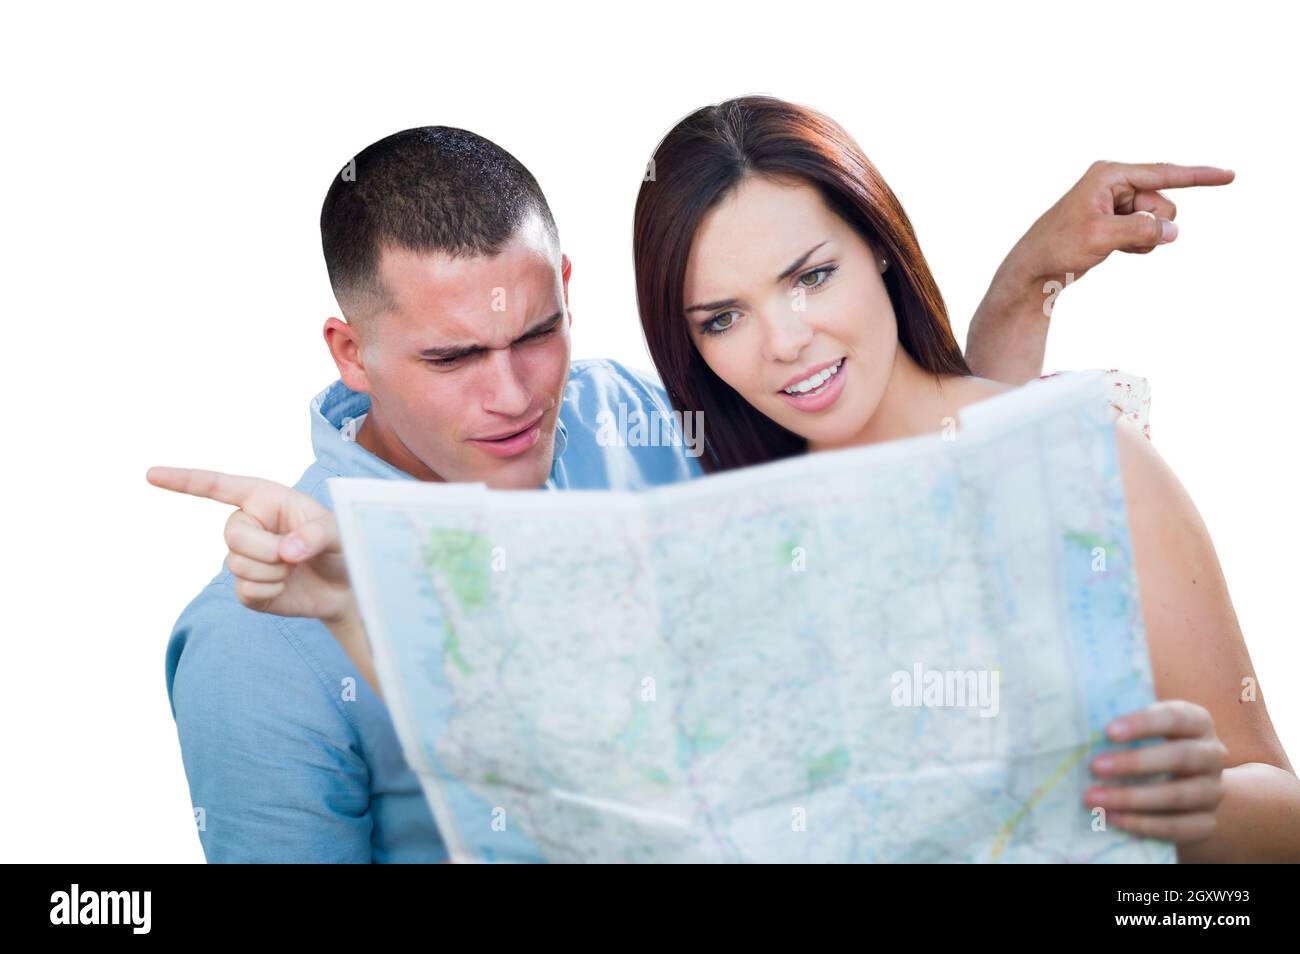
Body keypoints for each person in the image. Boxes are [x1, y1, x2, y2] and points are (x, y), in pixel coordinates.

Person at [150, 121, 1234, 862]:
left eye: (537, 334)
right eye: (451, 359)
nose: (515, 393)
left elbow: (903, 475)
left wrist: (1020, 286)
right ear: (351, 352)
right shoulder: (254, 645)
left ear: (570, 292)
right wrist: (353, 608)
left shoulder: (643, 417)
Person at [627, 95, 1297, 862]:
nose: (785, 342)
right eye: (722, 318)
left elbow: (1283, 811)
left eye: (811, 276)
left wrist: (1197, 804)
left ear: (877, 243)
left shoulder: (1082, 464)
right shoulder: (726, 554)